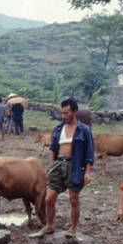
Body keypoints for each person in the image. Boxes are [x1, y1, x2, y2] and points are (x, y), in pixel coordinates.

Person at [43, 98, 94, 234]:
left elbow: (89, 152)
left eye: (66, 113)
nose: (63, 116)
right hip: (58, 163)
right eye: (62, 113)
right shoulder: (58, 128)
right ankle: (49, 225)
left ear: (75, 112)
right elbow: (53, 148)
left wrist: (87, 172)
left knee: (74, 199)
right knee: (49, 198)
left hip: (75, 166)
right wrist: (52, 165)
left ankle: (73, 229)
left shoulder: (84, 130)